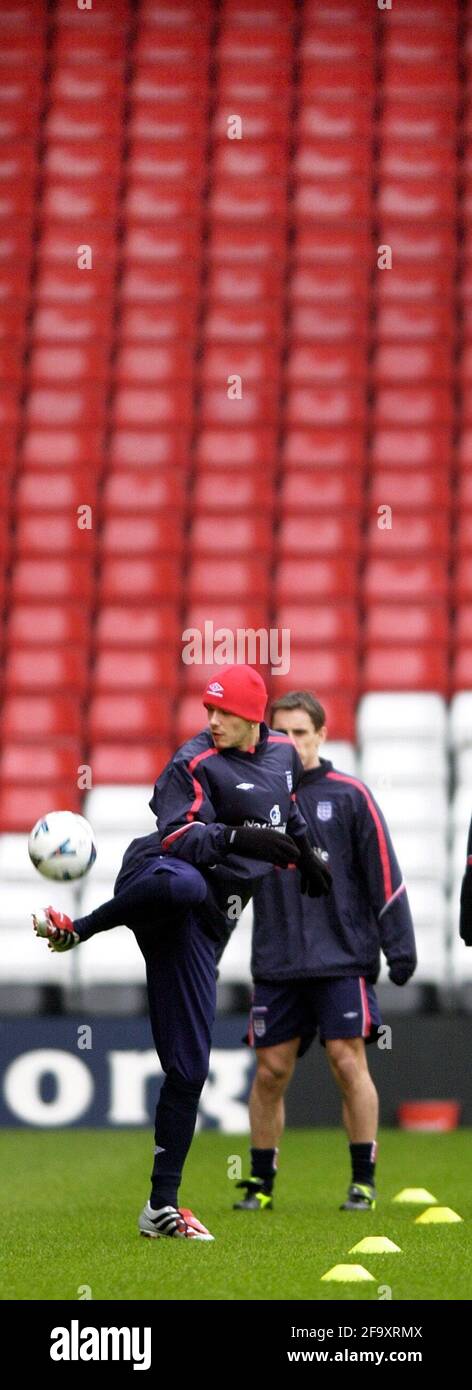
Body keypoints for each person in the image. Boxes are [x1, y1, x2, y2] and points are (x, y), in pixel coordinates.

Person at [33, 665, 331, 1241]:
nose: (212, 721)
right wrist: (237, 838)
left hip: (205, 926)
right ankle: (82, 928)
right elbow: (176, 833)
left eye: (224, 713)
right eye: (208, 711)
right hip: (159, 876)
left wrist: (307, 853)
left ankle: (159, 1208)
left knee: (190, 1067)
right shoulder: (192, 761)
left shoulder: (282, 758)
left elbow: (285, 811)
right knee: (188, 883)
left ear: (253, 718)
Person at [233, 690, 417, 1215]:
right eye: (279, 733)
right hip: (277, 960)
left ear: (320, 736)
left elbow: (385, 872)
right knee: (270, 1072)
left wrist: (398, 948)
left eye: (298, 733)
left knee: (346, 1059)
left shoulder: (351, 795)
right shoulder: (253, 798)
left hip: (341, 957)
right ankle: (262, 1183)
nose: (288, 743)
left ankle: (362, 1181)